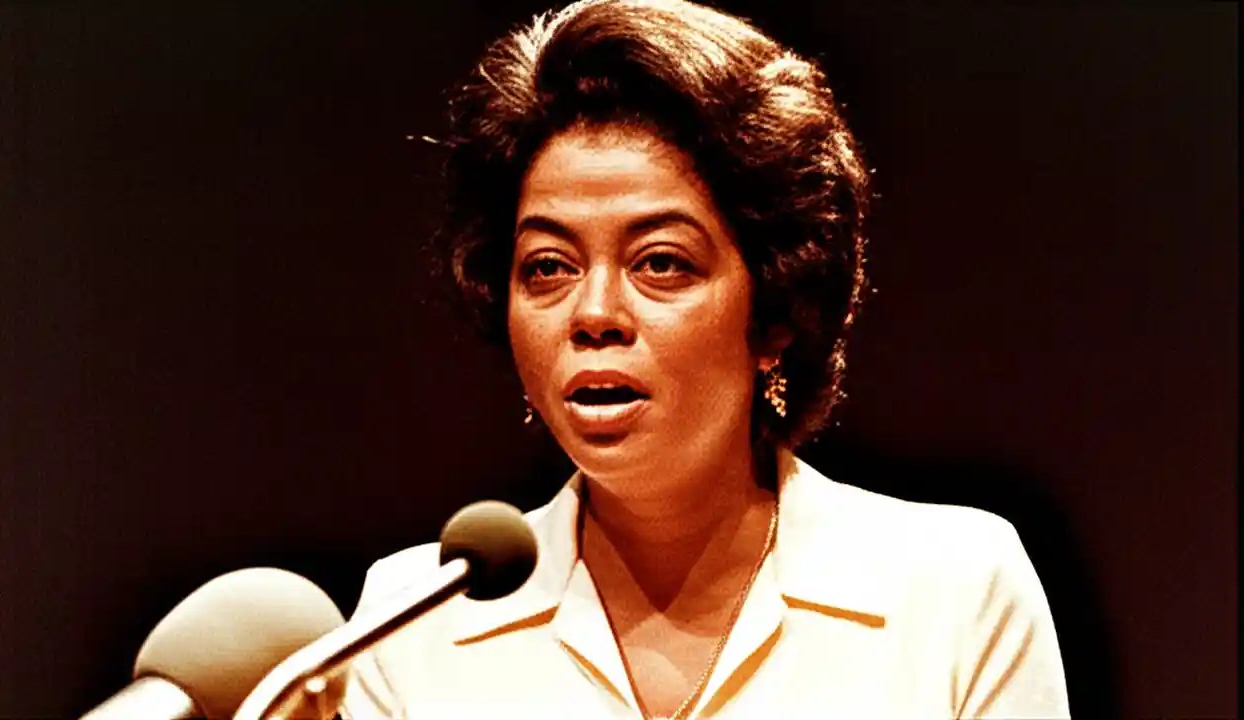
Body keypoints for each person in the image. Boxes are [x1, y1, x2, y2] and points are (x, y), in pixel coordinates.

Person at [340, 1, 1070, 718]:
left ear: (776, 314)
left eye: (661, 262)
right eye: (548, 268)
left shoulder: (952, 595)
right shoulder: (412, 622)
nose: (593, 315)